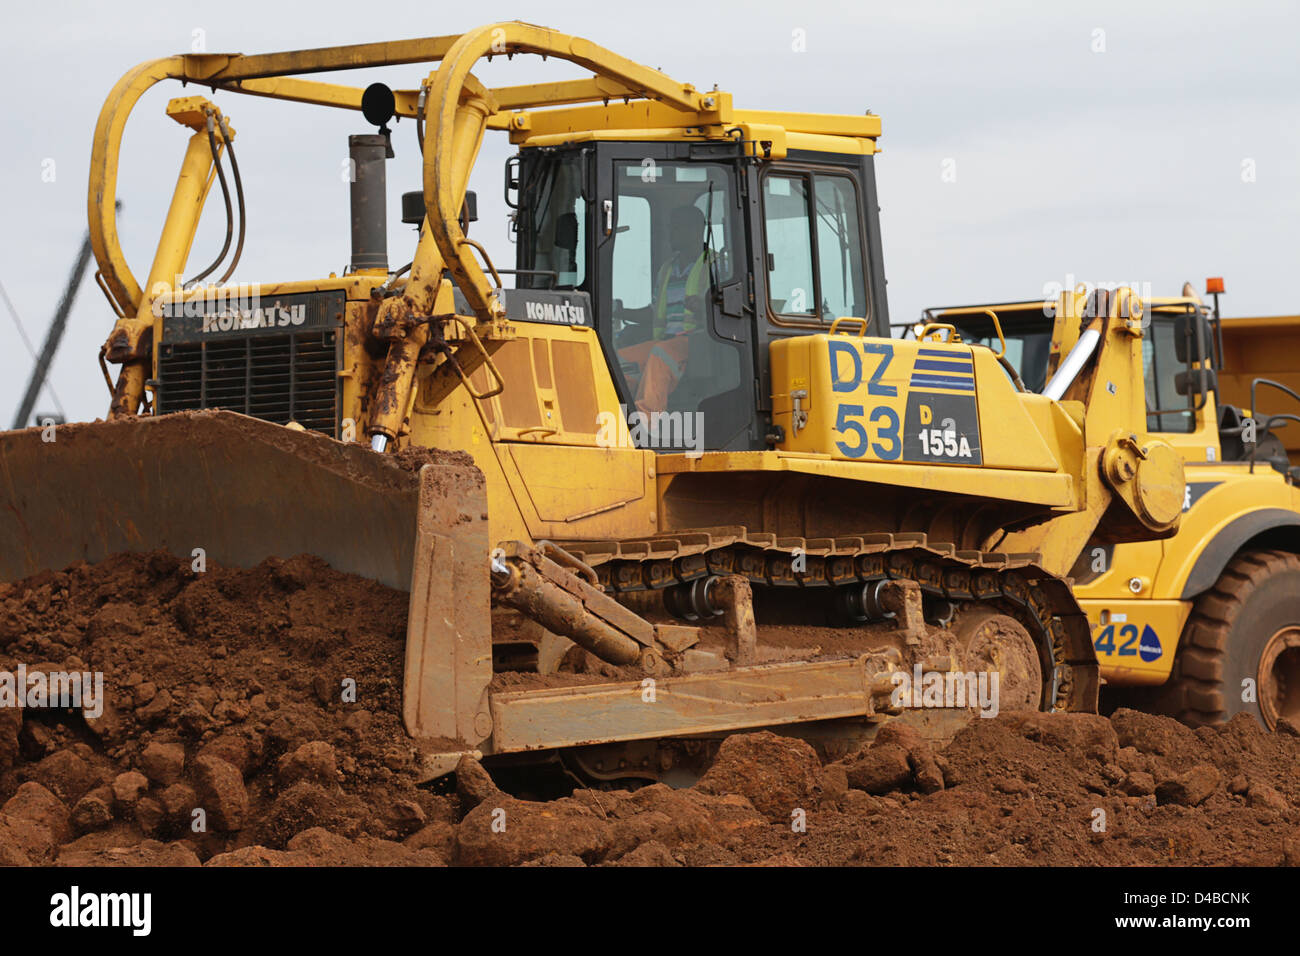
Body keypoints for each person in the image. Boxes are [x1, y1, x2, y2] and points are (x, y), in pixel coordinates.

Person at [626, 203, 711, 415]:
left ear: (695, 231)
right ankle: (614, 413)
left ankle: (646, 422)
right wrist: (620, 311)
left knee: (659, 355)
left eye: (676, 228)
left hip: (698, 343)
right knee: (619, 360)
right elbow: (654, 312)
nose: (670, 233)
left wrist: (702, 307)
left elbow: (727, 309)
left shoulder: (715, 265)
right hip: (666, 340)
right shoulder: (667, 269)